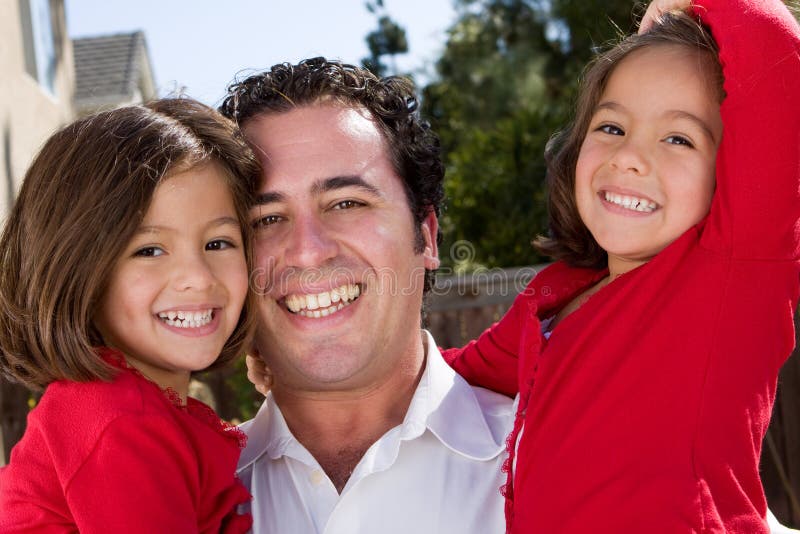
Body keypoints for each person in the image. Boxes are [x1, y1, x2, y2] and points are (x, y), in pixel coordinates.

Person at [441, 0, 800, 531]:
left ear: (731, 175)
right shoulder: (550, 299)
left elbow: (781, 66)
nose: (629, 155)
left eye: (679, 138)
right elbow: (441, 383)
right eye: (611, 127)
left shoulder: (730, 277)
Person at [218, 59, 514, 533]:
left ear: (428, 235)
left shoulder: (542, 454)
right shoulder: (183, 496)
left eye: (347, 203)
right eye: (267, 219)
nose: (309, 252)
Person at [0, 98, 259, 533]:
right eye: (149, 250)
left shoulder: (136, 407)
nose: (196, 277)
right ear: (79, 271)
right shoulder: (121, 420)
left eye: (218, 243)